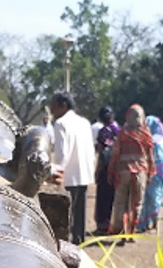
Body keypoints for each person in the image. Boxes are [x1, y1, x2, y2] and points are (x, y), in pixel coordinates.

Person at [49, 92, 96, 245]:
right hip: (83, 173)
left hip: (68, 174)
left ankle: (67, 244)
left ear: (63, 105)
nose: (51, 110)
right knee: (80, 211)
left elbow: (63, 153)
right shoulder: (84, 122)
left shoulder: (61, 123)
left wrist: (55, 171)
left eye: (54, 106)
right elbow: (90, 149)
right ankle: (80, 241)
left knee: (67, 213)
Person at [107, 103, 154, 240]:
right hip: (141, 172)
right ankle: (131, 233)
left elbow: (115, 154)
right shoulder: (146, 134)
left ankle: (120, 231)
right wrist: (150, 173)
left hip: (123, 172)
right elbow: (151, 156)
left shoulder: (123, 133)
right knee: (136, 204)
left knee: (120, 202)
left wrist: (111, 171)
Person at [135, 114, 163, 233]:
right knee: (157, 197)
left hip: (151, 171)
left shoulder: (150, 140)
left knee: (149, 198)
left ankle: (146, 223)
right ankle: (154, 223)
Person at [93, 105, 120, 234]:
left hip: (105, 169)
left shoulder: (103, 132)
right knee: (113, 197)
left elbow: (100, 152)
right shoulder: (119, 131)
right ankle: (112, 224)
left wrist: (97, 170)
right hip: (117, 169)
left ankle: (102, 225)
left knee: (103, 197)